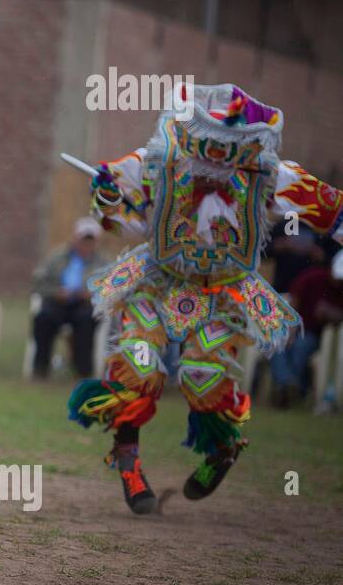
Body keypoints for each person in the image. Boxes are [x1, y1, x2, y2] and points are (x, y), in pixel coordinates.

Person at [68, 83, 343, 515]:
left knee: (203, 379)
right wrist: (106, 195)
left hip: (223, 292)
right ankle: (129, 464)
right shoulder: (155, 162)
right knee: (137, 370)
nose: (214, 156)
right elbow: (117, 217)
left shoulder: (271, 177)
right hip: (157, 281)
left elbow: (333, 212)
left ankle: (224, 447)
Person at [31, 217, 102, 378]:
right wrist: (55, 292)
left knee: (86, 320)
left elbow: (113, 288)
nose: (86, 244)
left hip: (85, 305)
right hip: (58, 302)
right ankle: (40, 368)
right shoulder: (56, 258)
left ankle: (83, 371)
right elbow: (38, 283)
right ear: (75, 238)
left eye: (90, 241)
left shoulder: (102, 262)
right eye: (83, 239)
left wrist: (92, 294)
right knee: (43, 318)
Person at [269, 257, 343, 407]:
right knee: (277, 345)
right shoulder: (312, 277)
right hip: (293, 327)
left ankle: (286, 390)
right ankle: (289, 385)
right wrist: (289, 333)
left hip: (316, 335)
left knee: (300, 347)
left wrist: (331, 313)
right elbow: (292, 305)